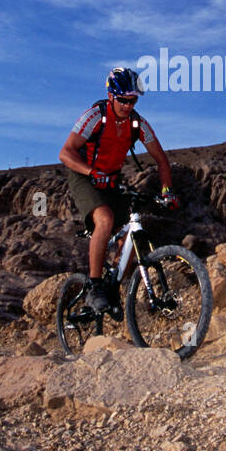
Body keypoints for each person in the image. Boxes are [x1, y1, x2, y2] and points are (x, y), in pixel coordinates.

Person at [59, 67, 179, 317]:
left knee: (131, 237)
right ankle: (93, 285)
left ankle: (112, 286)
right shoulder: (95, 116)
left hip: (111, 181)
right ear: (111, 96)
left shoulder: (138, 124)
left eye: (132, 100)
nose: (127, 105)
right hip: (85, 175)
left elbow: (162, 161)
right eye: (123, 99)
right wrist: (91, 171)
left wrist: (167, 190)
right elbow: (66, 153)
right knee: (105, 219)